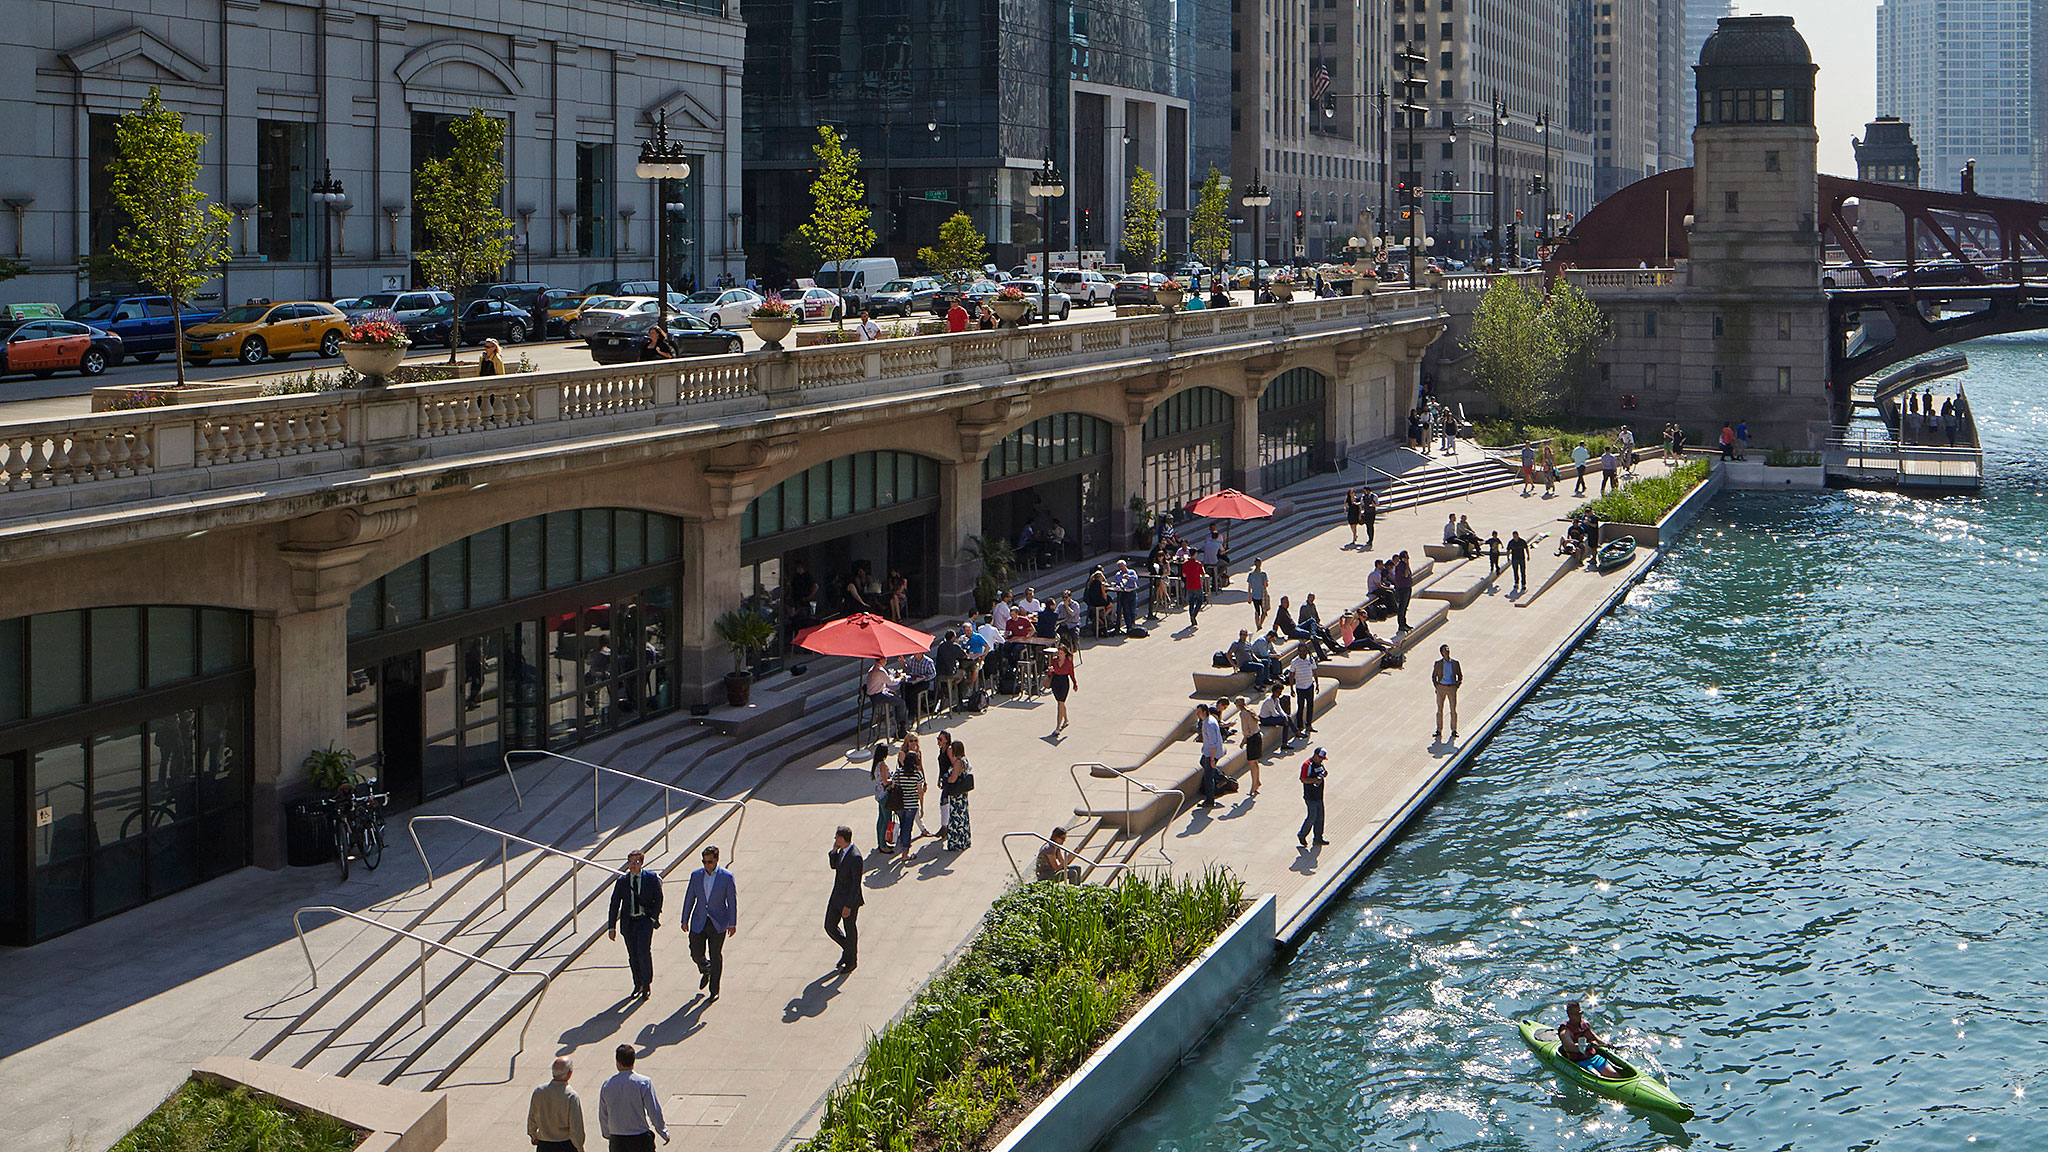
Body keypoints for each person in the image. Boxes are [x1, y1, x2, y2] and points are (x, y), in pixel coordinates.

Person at [678, 846, 738, 1002]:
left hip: (718, 922)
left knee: (715, 954)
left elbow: (732, 901)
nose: (707, 865)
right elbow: (689, 898)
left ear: (717, 860)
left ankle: (714, 989)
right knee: (695, 952)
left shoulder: (726, 877)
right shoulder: (696, 876)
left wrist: (732, 923)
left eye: (710, 862)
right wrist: (684, 919)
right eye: (704, 862)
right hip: (699, 920)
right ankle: (705, 968)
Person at [607, 850, 663, 999]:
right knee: (633, 955)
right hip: (629, 922)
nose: (632, 866)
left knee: (643, 952)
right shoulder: (622, 881)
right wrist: (611, 926)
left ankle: (646, 984)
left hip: (644, 920)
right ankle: (637, 983)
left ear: (642, 863)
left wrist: (653, 918)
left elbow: (658, 898)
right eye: (630, 863)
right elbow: (614, 904)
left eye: (636, 862)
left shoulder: (651, 878)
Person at [598, 1045, 669, 1150]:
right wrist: (663, 1132)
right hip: (640, 1138)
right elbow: (654, 1110)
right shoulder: (643, 1083)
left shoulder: (607, 1085)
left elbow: (603, 1114)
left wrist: (608, 1134)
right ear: (633, 1061)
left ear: (618, 1063)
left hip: (618, 1140)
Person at [529, 1058, 586, 1152]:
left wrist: (533, 1134)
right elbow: (576, 1126)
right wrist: (579, 1147)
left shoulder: (539, 1092)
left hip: (544, 1144)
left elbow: (532, 1116)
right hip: (565, 1145)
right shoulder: (571, 1096)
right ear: (569, 1073)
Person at [1556, 1001, 1616, 1076]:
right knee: (1597, 1076)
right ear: (1570, 1015)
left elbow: (1593, 1037)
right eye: (1576, 1014)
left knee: (1614, 1074)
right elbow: (1570, 1048)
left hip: (1594, 1057)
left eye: (1580, 1013)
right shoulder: (1565, 1032)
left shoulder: (1585, 1024)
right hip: (1579, 1062)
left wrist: (1605, 1043)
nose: (1579, 1016)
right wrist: (1588, 1045)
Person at [890, 747, 927, 857]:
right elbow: (920, 792)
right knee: (908, 827)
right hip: (912, 804)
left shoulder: (898, 773)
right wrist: (922, 806)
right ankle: (905, 852)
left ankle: (903, 846)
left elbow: (893, 786)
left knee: (903, 825)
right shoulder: (917, 774)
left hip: (900, 804)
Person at [864, 657, 909, 738]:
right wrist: (901, 678)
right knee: (901, 703)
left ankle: (899, 723)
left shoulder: (872, 668)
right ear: (881, 660)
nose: (886, 660)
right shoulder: (880, 671)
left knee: (896, 699)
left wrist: (887, 689)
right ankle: (902, 726)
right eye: (885, 659)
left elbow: (878, 683)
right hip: (878, 695)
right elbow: (891, 682)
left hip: (876, 693)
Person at [941, 739, 973, 850]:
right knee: (963, 817)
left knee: (956, 818)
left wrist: (946, 778)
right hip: (963, 794)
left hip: (956, 795)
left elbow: (952, 779)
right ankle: (965, 840)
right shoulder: (965, 760)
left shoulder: (958, 763)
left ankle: (957, 842)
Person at [1297, 747, 1330, 848]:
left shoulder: (1320, 764)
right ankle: (1302, 834)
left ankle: (1318, 838)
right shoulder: (1307, 765)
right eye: (1320, 758)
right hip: (1310, 796)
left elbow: (1324, 772)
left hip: (1319, 795)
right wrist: (1315, 780)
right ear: (1315, 755)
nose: (1321, 760)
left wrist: (1324, 774)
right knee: (1312, 816)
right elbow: (1303, 779)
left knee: (1320, 817)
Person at [1196, 703, 1227, 807]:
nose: (1197, 714)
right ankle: (1221, 777)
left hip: (1211, 753)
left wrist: (1212, 759)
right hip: (1207, 751)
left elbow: (1213, 743)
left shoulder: (1209, 724)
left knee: (1208, 777)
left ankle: (1210, 801)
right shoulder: (1208, 720)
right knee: (1202, 762)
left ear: (1204, 712)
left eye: (1199, 712)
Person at [869, 742, 896, 854]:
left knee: (881, 818)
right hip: (885, 794)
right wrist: (893, 780)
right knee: (886, 819)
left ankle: (880, 841)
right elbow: (885, 782)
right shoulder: (883, 765)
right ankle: (883, 844)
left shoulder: (876, 764)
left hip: (878, 794)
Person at [1048, 636, 1078, 734]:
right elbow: (1050, 673)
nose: (1059, 655)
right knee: (1060, 703)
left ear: (1065, 654)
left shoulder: (1068, 663)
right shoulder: (1054, 661)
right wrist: (1050, 671)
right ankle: (1066, 719)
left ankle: (1057, 727)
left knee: (1060, 703)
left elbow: (1072, 674)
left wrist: (1075, 684)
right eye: (1058, 653)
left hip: (1064, 682)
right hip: (1055, 681)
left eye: (1061, 653)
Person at [1433, 643, 1462, 742]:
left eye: (1448, 649)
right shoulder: (1438, 664)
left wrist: (1456, 686)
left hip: (1451, 687)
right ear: (1442, 652)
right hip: (1441, 687)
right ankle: (1439, 730)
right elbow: (1434, 676)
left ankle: (1454, 730)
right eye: (1445, 650)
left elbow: (1460, 676)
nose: (1448, 651)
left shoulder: (1455, 663)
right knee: (1440, 710)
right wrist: (1437, 686)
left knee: (1453, 710)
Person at [1258, 682, 1300, 749]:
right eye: (1278, 692)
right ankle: (1296, 732)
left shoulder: (1276, 699)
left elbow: (1280, 709)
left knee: (1286, 721)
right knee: (1286, 721)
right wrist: (1283, 718)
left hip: (1271, 717)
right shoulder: (1269, 701)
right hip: (1265, 719)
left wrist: (1284, 716)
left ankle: (1284, 743)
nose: (1279, 693)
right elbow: (1274, 713)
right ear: (1274, 692)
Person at [1288, 647, 1318, 736]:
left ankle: (1309, 725)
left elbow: (1315, 672)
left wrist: (1317, 684)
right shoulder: (1294, 662)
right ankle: (1300, 726)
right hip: (1300, 688)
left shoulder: (1311, 660)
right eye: (1300, 651)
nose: (1302, 653)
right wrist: (1291, 688)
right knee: (1300, 707)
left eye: (1304, 651)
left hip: (1310, 686)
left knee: (1310, 706)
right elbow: (1291, 675)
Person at [1111, 559, 1142, 633]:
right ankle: (1129, 627)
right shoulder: (1118, 574)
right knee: (1126, 610)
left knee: (1133, 609)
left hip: (1132, 592)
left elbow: (1136, 579)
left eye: (1122, 566)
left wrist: (1128, 577)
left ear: (1125, 565)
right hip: (1124, 593)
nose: (1121, 568)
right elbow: (1117, 582)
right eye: (1120, 567)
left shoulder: (1131, 572)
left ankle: (1133, 624)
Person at [1181, 549, 1208, 628]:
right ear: (1195, 554)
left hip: (1189, 584)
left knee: (1191, 602)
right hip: (1197, 584)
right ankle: (1194, 614)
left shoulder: (1185, 563)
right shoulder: (1198, 564)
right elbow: (1203, 574)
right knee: (1200, 601)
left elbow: (1184, 575)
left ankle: (1191, 617)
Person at [1083, 568, 1112, 636]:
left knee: (1108, 601)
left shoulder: (1090, 583)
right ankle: (1102, 617)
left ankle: (1099, 617)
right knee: (1110, 605)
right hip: (1098, 602)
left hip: (1091, 602)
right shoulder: (1100, 584)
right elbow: (1104, 596)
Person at [1245, 558, 1270, 631]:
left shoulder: (1251, 575)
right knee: (1264, 610)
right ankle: (1260, 624)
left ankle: (1258, 624)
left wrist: (1249, 597)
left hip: (1254, 595)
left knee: (1257, 611)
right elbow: (1265, 585)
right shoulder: (1263, 574)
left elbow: (1249, 587)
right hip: (1262, 595)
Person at [1392, 553, 1413, 632]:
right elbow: (1406, 574)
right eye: (1407, 557)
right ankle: (1401, 625)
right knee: (1402, 607)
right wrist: (1407, 564)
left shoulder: (1404, 565)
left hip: (1407, 587)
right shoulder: (1401, 566)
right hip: (1403, 588)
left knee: (1405, 607)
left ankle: (1404, 623)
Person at [1507, 530, 1530, 595]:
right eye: (1514, 536)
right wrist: (1508, 557)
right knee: (1515, 571)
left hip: (1521, 558)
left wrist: (1528, 556)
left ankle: (1523, 584)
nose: (1515, 537)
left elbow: (1526, 548)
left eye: (1516, 536)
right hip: (1514, 559)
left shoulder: (1522, 541)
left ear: (1518, 535)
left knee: (1523, 572)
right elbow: (1508, 550)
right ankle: (1516, 583)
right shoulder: (1511, 542)